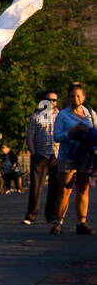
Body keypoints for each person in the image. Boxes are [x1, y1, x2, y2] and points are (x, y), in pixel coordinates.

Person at [51, 82, 94, 235]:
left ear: (83, 98)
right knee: (65, 189)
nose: (75, 99)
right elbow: (56, 137)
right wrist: (72, 132)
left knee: (83, 189)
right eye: (72, 96)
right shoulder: (63, 115)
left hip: (84, 156)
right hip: (68, 155)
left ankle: (81, 222)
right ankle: (59, 222)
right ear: (68, 98)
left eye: (78, 96)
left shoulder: (90, 114)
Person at [23, 93, 59, 224]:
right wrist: (33, 153)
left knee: (55, 187)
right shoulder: (36, 117)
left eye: (54, 100)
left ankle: (52, 215)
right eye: (48, 100)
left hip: (56, 155)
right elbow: (30, 136)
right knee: (36, 187)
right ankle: (31, 214)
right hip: (40, 155)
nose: (51, 102)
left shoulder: (61, 117)